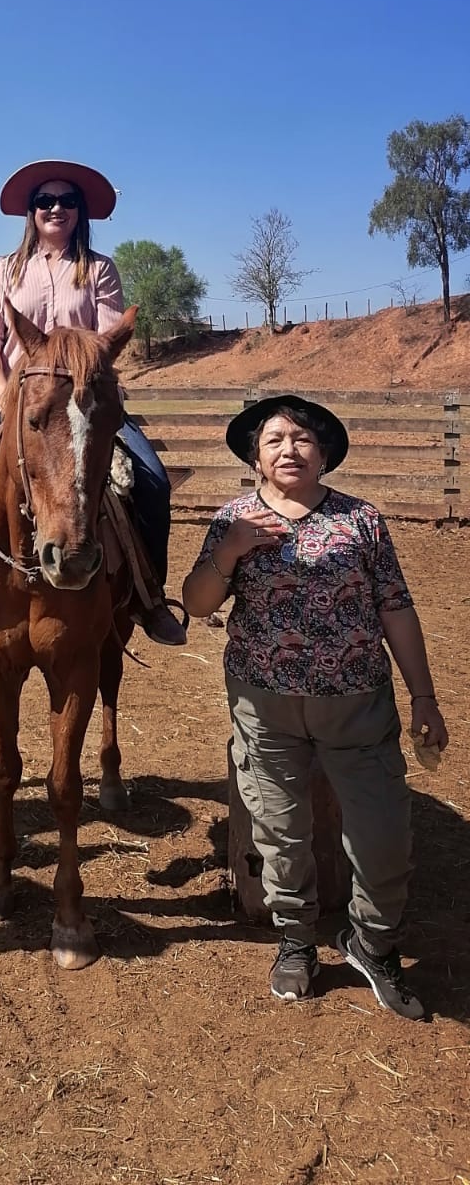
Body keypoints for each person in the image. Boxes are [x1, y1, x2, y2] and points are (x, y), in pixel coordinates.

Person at [181, 394, 450, 1018]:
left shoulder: (361, 520)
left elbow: (395, 608)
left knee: (382, 835)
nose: (289, 449)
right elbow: (196, 603)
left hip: (358, 706)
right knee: (280, 832)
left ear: (323, 454)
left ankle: (372, 943)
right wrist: (231, 550)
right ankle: (297, 939)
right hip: (264, 707)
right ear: (255, 457)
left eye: (302, 439)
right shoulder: (232, 520)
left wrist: (424, 695)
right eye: (274, 440)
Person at [0, 159, 186, 646]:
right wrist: (3, 392)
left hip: (83, 400)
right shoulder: (4, 270)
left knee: (154, 483)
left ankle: (150, 596)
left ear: (81, 211)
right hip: (20, 397)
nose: (56, 208)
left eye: (67, 201)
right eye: (45, 200)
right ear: (31, 211)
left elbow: (105, 339)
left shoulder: (99, 270)